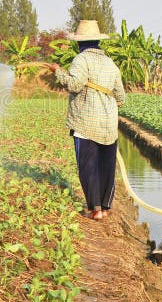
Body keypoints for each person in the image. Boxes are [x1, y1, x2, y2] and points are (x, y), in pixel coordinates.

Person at [50, 20, 126, 220]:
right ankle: (106, 207)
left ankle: (96, 209)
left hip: (86, 124)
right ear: (97, 42)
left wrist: (57, 71)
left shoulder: (81, 59)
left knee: (88, 166)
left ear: (79, 43)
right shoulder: (110, 63)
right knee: (106, 167)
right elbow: (121, 97)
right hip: (109, 125)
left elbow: (74, 85)